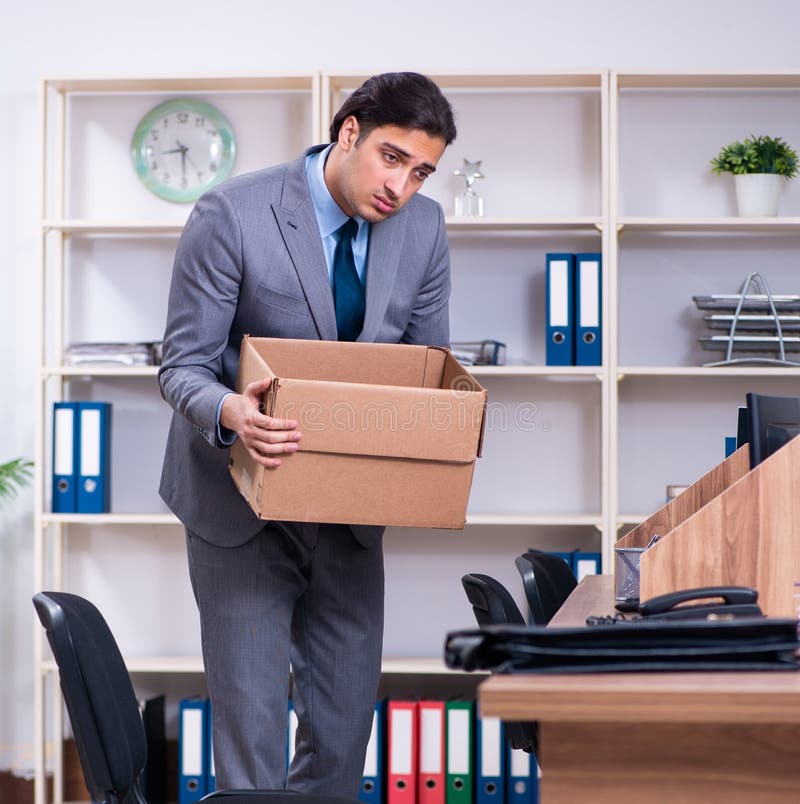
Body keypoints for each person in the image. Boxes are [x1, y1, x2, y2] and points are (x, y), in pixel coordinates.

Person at [158, 72, 457, 797]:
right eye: (392, 158)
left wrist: (447, 429)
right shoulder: (232, 212)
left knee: (340, 737)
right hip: (240, 506)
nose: (402, 188)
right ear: (348, 130)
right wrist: (234, 414)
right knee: (251, 731)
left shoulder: (423, 228)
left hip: (349, 511)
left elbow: (428, 373)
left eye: (421, 172)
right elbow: (183, 367)